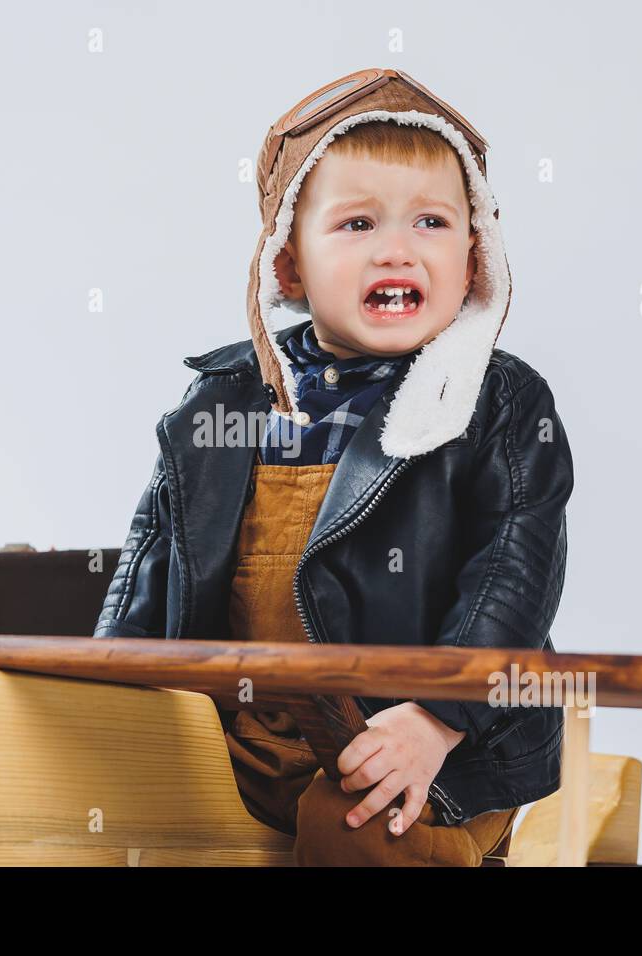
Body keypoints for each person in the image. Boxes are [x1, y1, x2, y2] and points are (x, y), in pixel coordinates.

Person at [94, 68, 574, 866]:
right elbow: (153, 566)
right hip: (246, 733)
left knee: (353, 821)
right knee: (86, 796)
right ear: (287, 267)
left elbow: (512, 581)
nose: (398, 249)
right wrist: (104, 694)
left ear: (476, 255)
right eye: (357, 225)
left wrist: (438, 718)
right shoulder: (222, 401)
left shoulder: (493, 403)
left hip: (429, 745)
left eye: (431, 222)